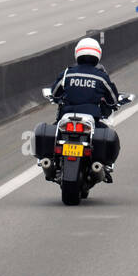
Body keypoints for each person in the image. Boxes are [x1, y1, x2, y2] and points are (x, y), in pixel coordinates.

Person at [45, 37, 123, 180]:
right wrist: (112, 104)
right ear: (97, 56)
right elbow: (113, 98)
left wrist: (59, 98)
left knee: (51, 133)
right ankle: (103, 166)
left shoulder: (68, 73)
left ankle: (48, 162)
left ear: (77, 54)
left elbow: (54, 92)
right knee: (107, 136)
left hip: (66, 115)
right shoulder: (101, 77)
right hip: (91, 117)